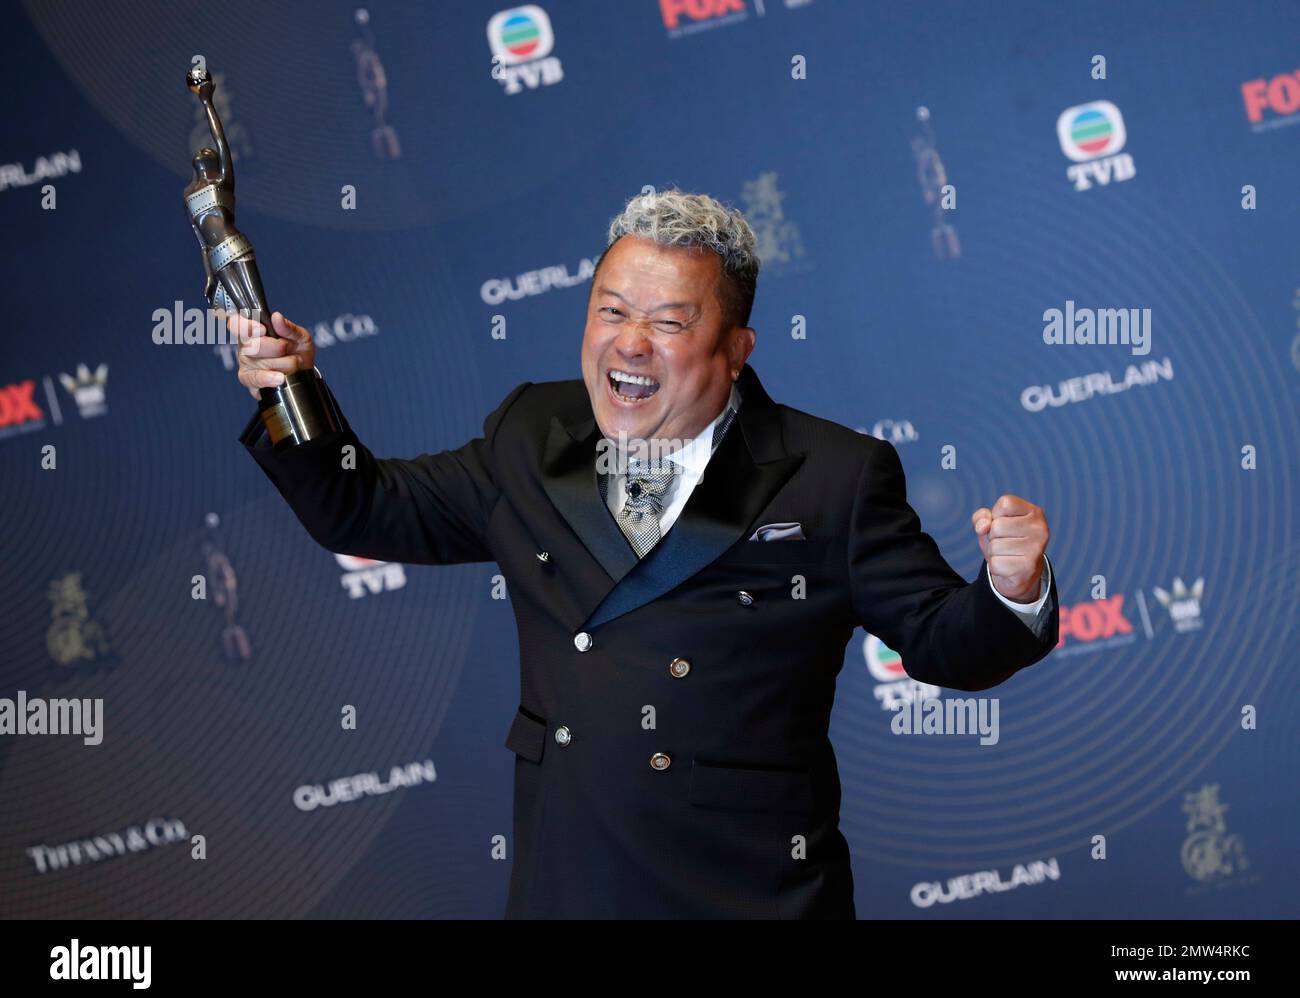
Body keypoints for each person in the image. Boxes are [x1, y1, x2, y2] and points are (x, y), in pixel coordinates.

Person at [230, 189, 1057, 919]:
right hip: (571, 882)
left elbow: (945, 640)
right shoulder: (532, 433)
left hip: (747, 891)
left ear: (737, 349)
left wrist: (1011, 584)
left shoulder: (832, 476)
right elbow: (365, 508)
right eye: (611, 311)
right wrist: (289, 390)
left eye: (668, 322)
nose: (629, 344)